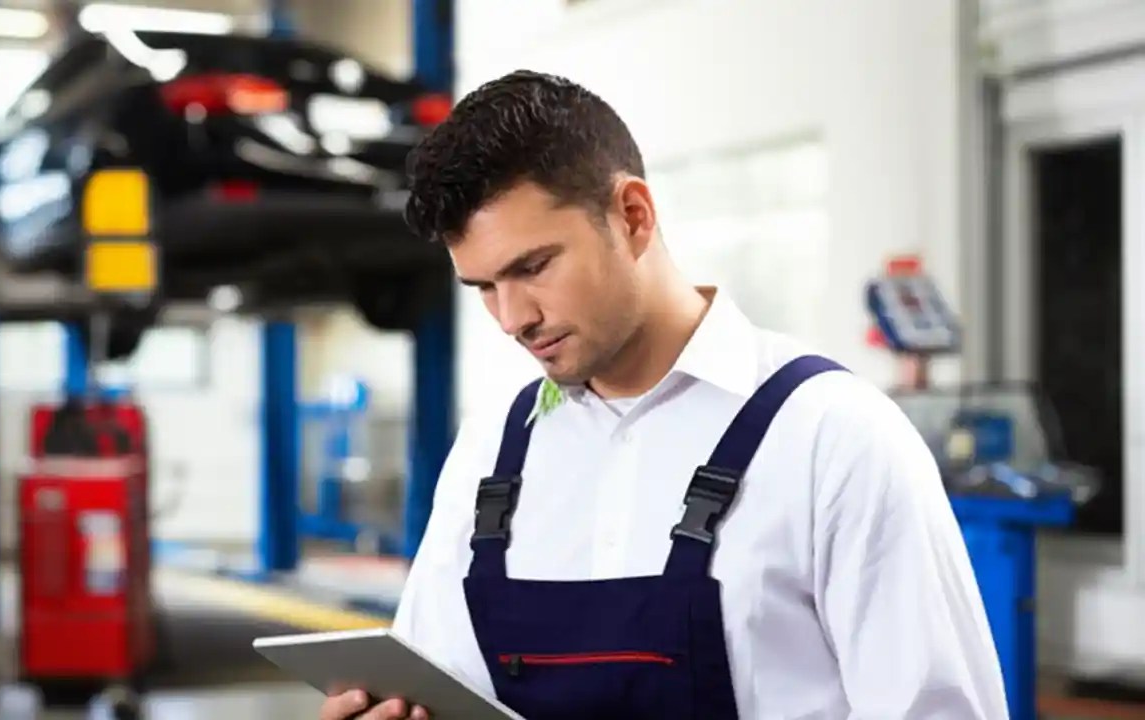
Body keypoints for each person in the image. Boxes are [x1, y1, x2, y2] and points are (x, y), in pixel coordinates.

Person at [319, 70, 1007, 719]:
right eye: (484, 288)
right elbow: (446, 687)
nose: (512, 317)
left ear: (634, 215)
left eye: (533, 267)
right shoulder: (488, 455)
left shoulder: (833, 437)